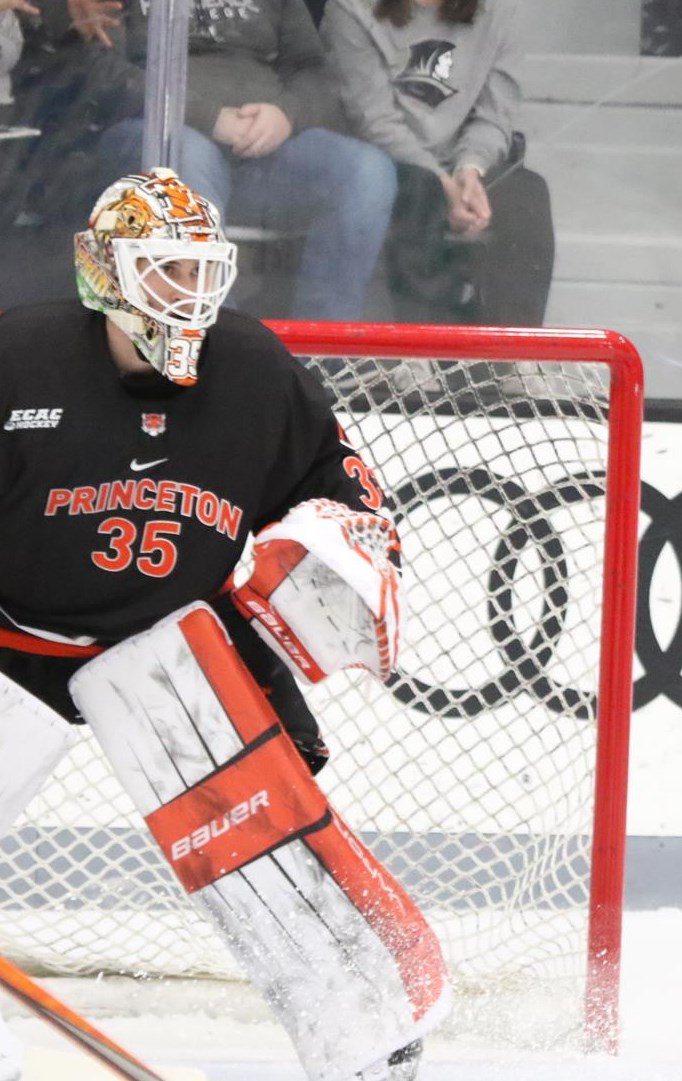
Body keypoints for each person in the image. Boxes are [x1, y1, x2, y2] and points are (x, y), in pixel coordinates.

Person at [0, 168, 446, 1080]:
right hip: (14, 643)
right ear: (102, 272)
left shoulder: (253, 371)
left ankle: (362, 1039)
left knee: (266, 850)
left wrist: (356, 550)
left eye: (203, 269)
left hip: (172, 649)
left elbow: (343, 484)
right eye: (164, 270)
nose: (190, 294)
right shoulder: (19, 358)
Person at [95, 0, 397, 321]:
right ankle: (217, 344)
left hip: (262, 147)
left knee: (366, 171)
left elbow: (314, 70)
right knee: (185, 153)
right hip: (154, 140)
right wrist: (208, 118)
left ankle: (325, 355)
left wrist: (286, 115)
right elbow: (102, 70)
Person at [323, 0, 555, 327]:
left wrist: (470, 170)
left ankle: (518, 355)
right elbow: (373, 120)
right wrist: (443, 184)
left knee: (527, 193)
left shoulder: (498, 10)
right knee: (420, 191)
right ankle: (422, 350)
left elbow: (495, 114)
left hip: (464, 160)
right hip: (389, 158)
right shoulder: (351, 8)